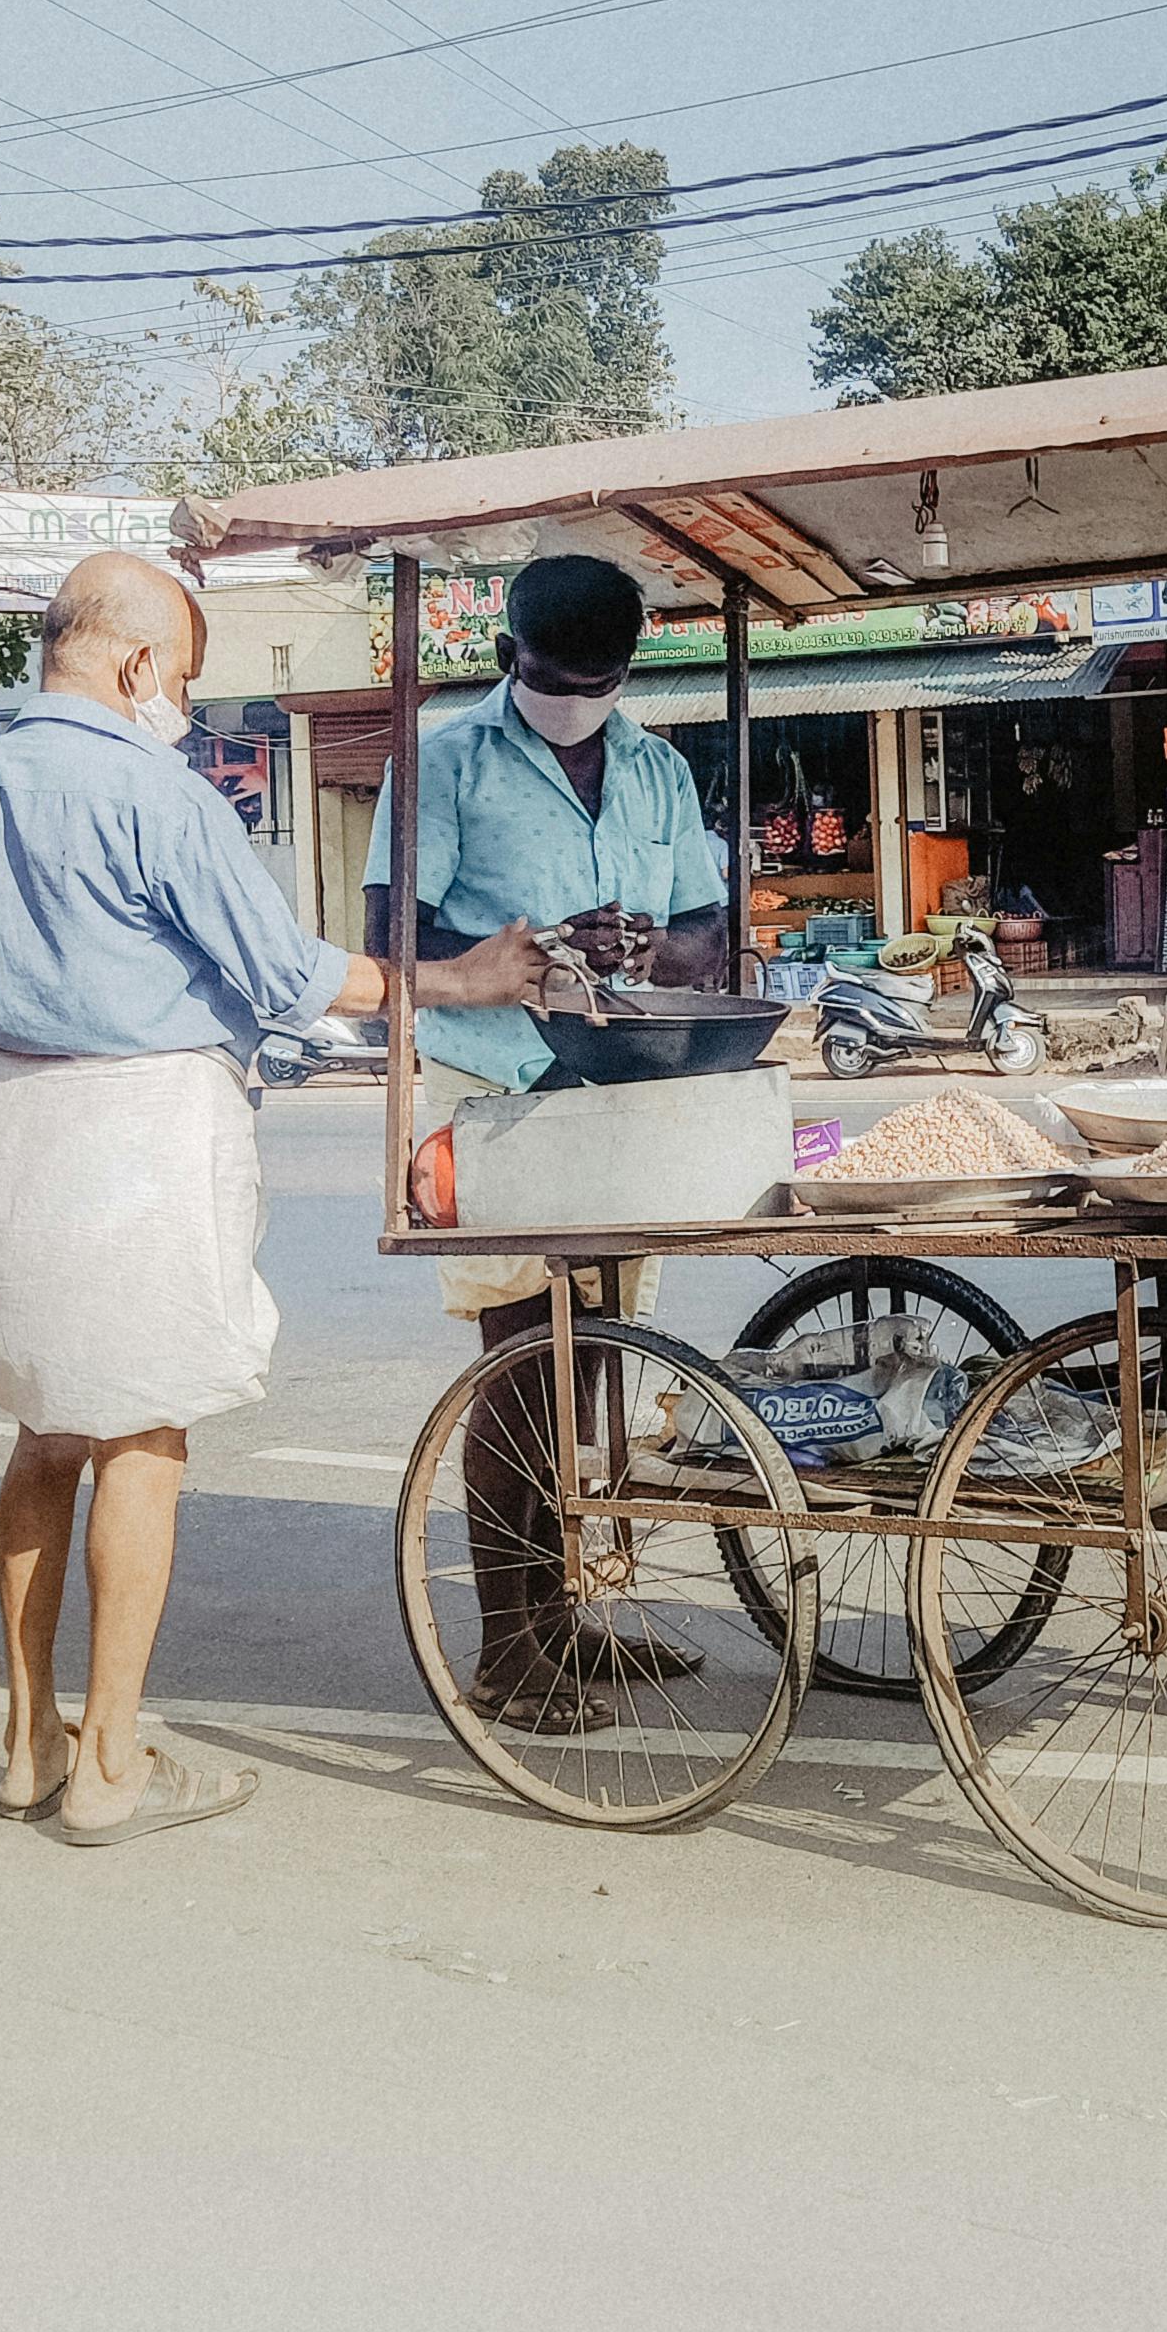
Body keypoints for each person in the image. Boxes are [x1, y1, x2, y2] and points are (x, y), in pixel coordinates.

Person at [0, 551, 549, 1847]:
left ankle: (29, 1742)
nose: (180, 701)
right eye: (181, 678)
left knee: (42, 1434)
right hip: (142, 1127)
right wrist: (460, 983)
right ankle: (114, 1763)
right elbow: (284, 972)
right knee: (145, 1436)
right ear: (137, 666)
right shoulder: (158, 795)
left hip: (10, 1126)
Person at [367, 552, 735, 1724]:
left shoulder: (656, 769)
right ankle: (505, 1650)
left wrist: (643, 952)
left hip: (617, 1092)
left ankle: (565, 1616)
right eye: (558, 677)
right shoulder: (444, 763)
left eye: (604, 678)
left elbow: (707, 933)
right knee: (521, 1361)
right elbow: (392, 948)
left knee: (592, 1368)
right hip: (492, 1088)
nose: (582, 696)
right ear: (507, 659)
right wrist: (509, 962)